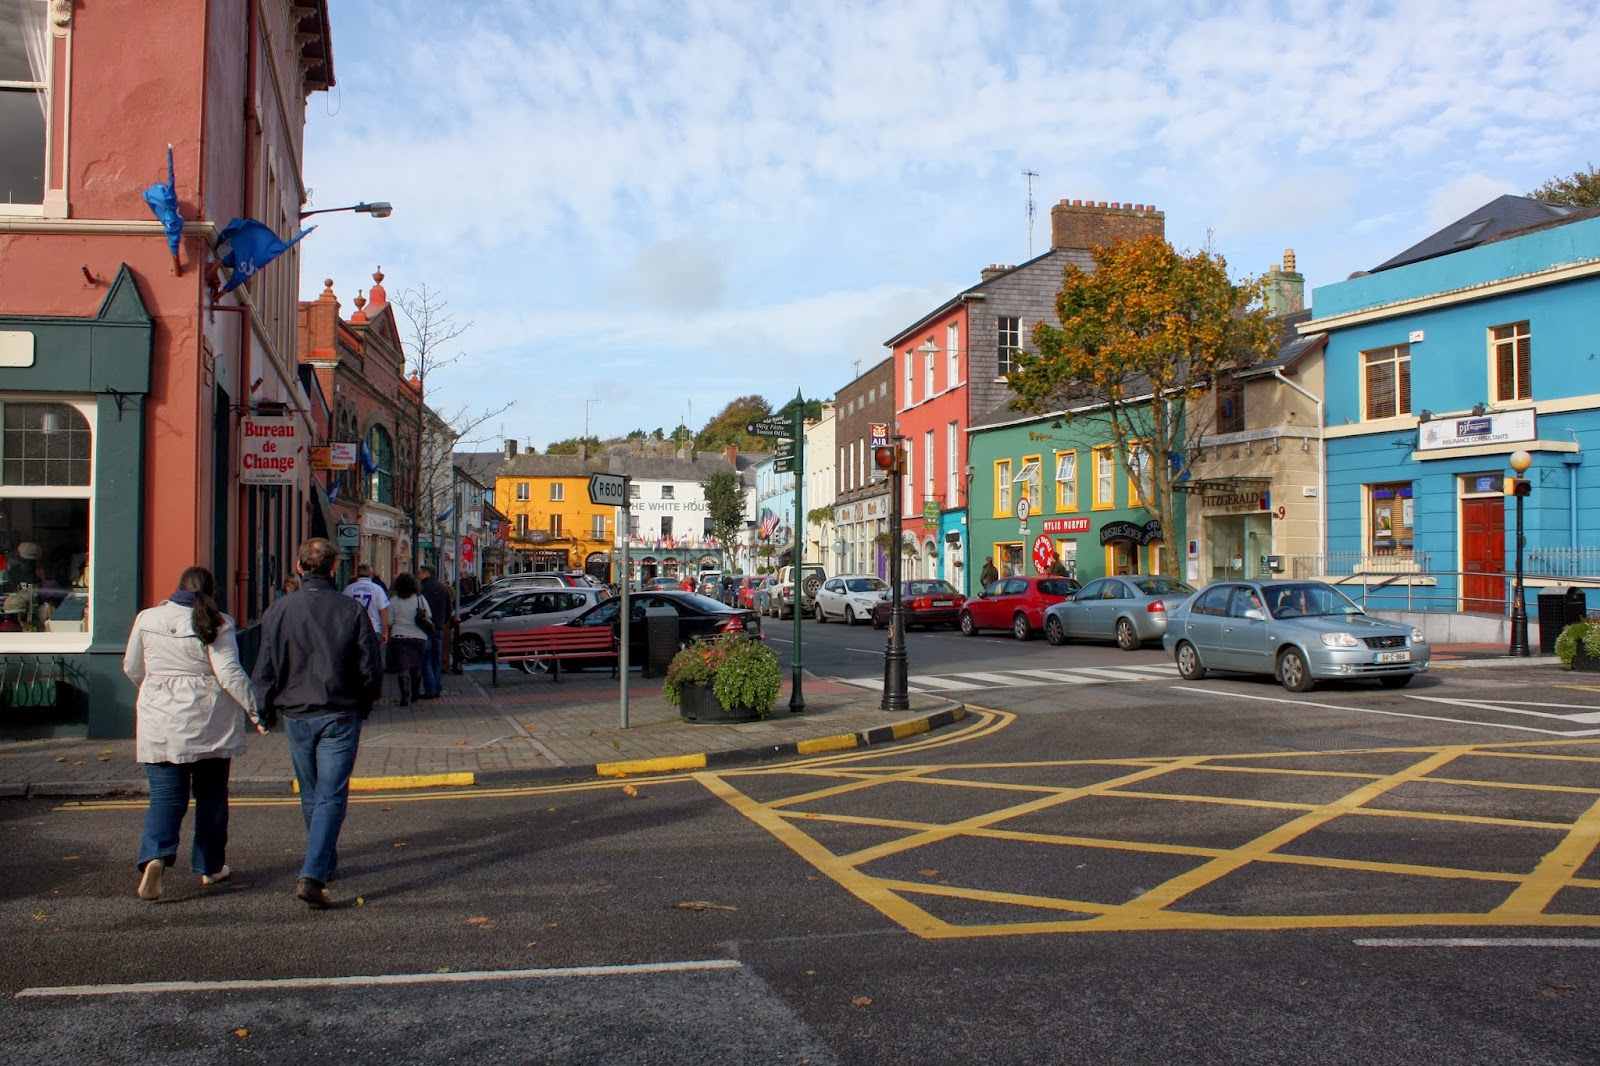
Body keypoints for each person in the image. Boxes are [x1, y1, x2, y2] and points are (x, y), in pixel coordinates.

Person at [253, 537, 383, 910]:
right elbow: (369, 664)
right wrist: (367, 700)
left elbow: (265, 667)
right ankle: (313, 872)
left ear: (299, 567)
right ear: (332, 567)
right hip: (340, 711)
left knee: (312, 793)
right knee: (330, 794)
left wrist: (264, 710)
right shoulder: (350, 610)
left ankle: (321, 864)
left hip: (296, 713)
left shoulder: (278, 610)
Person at [123, 566, 266, 902]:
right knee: (212, 796)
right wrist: (256, 712)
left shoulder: (147, 618)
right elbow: (229, 674)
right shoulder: (219, 623)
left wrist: (154, 690)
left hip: (160, 721)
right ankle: (211, 866)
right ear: (212, 591)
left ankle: (155, 857)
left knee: (165, 797)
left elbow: (132, 667)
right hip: (209, 723)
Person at [385, 572, 432, 706]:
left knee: (403, 667)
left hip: (399, 637)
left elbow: (389, 621)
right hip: (419, 637)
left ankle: (405, 695)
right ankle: (415, 692)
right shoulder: (420, 599)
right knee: (416, 666)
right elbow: (429, 615)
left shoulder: (393, 601)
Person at [416, 565, 452, 699]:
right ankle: (437, 686)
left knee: (426, 659)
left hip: (425, 628)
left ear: (426, 573)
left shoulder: (421, 588)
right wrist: (443, 622)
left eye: (420, 572)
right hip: (439, 627)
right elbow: (449, 609)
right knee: (436, 659)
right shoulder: (443, 588)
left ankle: (430, 689)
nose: (418, 575)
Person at [344, 564, 391, 647]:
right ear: (370, 574)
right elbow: (383, 611)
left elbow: (344, 609)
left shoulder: (349, 589)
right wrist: (385, 632)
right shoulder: (377, 589)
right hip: (374, 628)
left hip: (355, 629)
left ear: (357, 574)